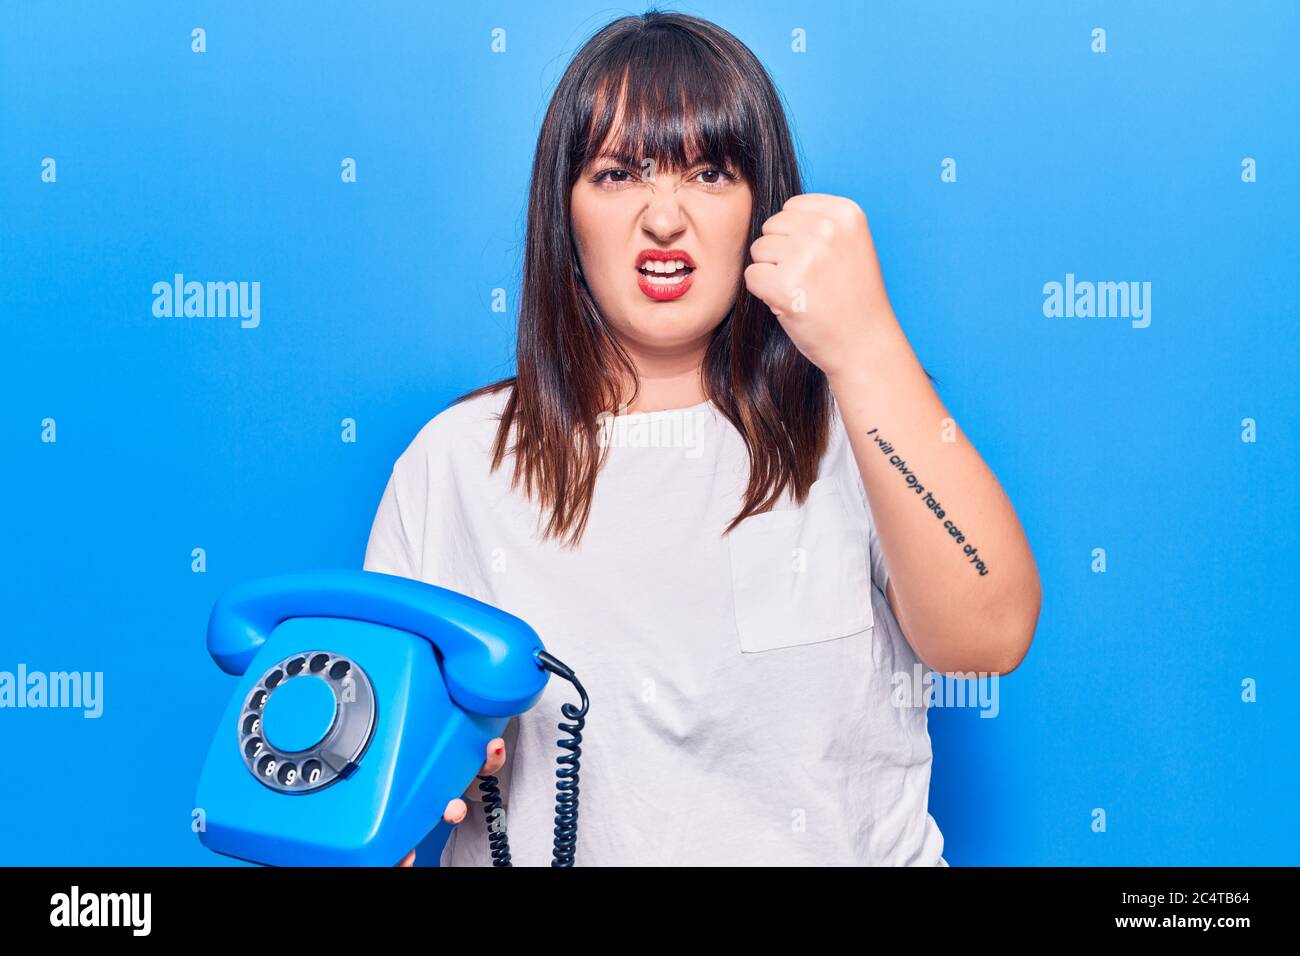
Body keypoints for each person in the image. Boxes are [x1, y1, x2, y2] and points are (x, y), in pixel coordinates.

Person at [369, 9, 1041, 867]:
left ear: (766, 206)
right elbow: (377, 765)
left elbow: (988, 635)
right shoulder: (457, 461)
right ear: (564, 215)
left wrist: (868, 343)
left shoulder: (861, 423)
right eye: (617, 174)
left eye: (711, 172)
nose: (664, 217)